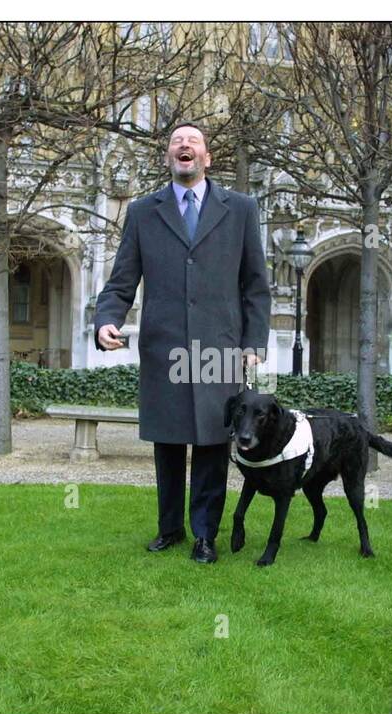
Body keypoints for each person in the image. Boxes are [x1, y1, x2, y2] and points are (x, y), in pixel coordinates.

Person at [94, 122, 272, 563]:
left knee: (213, 442)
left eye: (193, 141)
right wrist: (106, 320)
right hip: (165, 345)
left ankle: (206, 535)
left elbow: (256, 285)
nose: (184, 146)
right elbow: (121, 282)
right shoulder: (141, 212)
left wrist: (253, 342)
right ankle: (169, 527)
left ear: (207, 158)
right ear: (169, 157)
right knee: (169, 441)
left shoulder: (242, 209)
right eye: (177, 141)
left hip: (220, 347)